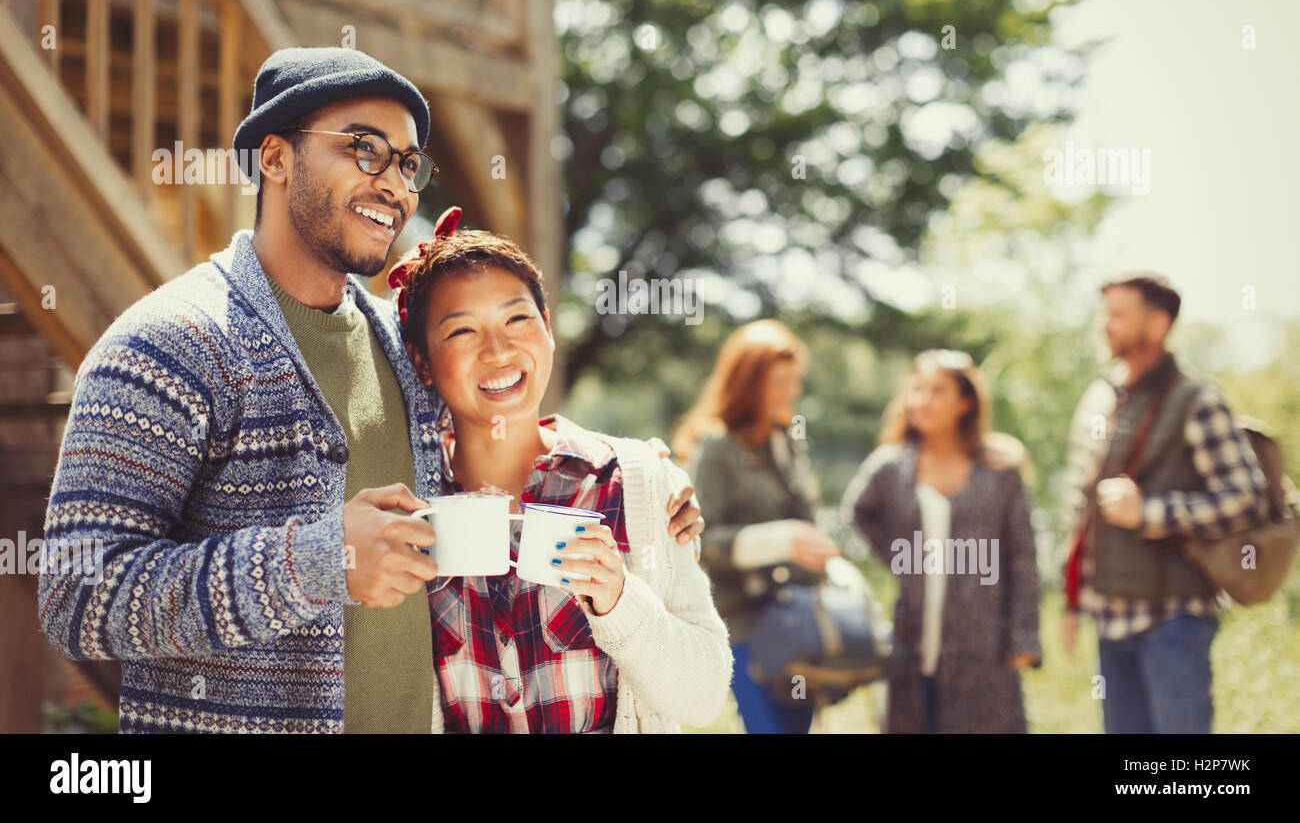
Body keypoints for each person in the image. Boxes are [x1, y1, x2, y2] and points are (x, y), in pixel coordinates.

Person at [37, 47, 703, 733]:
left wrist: (648, 477)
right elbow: (78, 597)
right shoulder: (167, 345)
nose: (396, 185)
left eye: (408, 163)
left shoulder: (401, 344)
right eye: (364, 150)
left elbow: (500, 416)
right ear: (274, 158)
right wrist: (318, 562)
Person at [391, 210, 732, 732]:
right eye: (462, 330)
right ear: (421, 361)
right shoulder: (409, 505)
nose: (499, 349)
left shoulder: (639, 483)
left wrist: (620, 601)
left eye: (518, 319)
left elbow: (703, 699)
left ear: (548, 329)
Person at [1062, 273, 1270, 734]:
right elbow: (1079, 505)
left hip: (1173, 622)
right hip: (1110, 619)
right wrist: (1072, 597)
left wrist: (1151, 513)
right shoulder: (1101, 399)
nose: (1103, 325)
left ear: (1157, 325)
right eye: (1104, 313)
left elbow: (1247, 500)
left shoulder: (1197, 400)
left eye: (1117, 315)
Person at [841, 349, 1041, 733]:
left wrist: (1024, 634)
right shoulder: (891, 465)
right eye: (916, 389)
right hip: (911, 636)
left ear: (964, 403)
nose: (921, 400)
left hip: (983, 642)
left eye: (936, 391)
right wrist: (904, 559)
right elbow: (857, 512)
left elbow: (1022, 555)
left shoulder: (1000, 471)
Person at [672, 319, 837, 734]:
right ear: (748, 382)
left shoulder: (786, 442)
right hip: (746, 625)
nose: (792, 392)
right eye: (781, 382)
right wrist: (782, 542)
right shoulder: (717, 447)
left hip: (798, 620)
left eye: (794, 381)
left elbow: (805, 518)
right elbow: (702, 540)